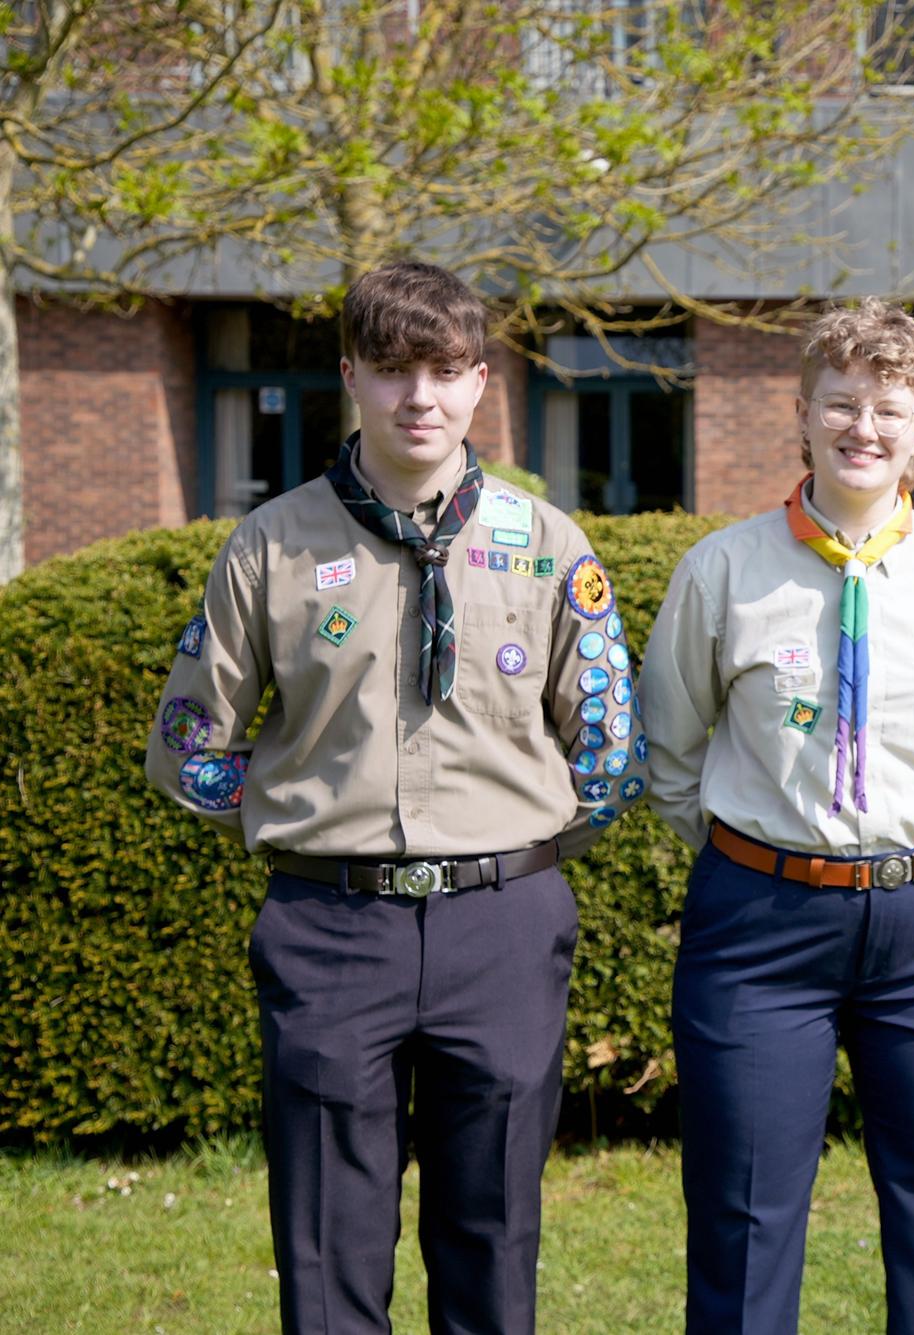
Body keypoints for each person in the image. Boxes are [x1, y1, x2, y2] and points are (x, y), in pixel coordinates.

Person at [145, 262, 646, 1332]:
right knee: (328, 1247)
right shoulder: (271, 547)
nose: (420, 396)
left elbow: (609, 754)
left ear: (480, 382)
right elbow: (189, 745)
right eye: (391, 370)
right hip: (331, 927)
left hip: (503, 925)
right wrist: (298, 818)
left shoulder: (548, 546)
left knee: (493, 1237)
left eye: (445, 370)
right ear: (349, 377)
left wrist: (516, 851)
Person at [635, 298, 914, 1334]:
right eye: (842, 403)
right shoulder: (723, 568)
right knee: (744, 1218)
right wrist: (763, 851)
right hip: (761, 923)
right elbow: (669, 750)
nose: (865, 428)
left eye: (891, 410)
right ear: (801, 414)